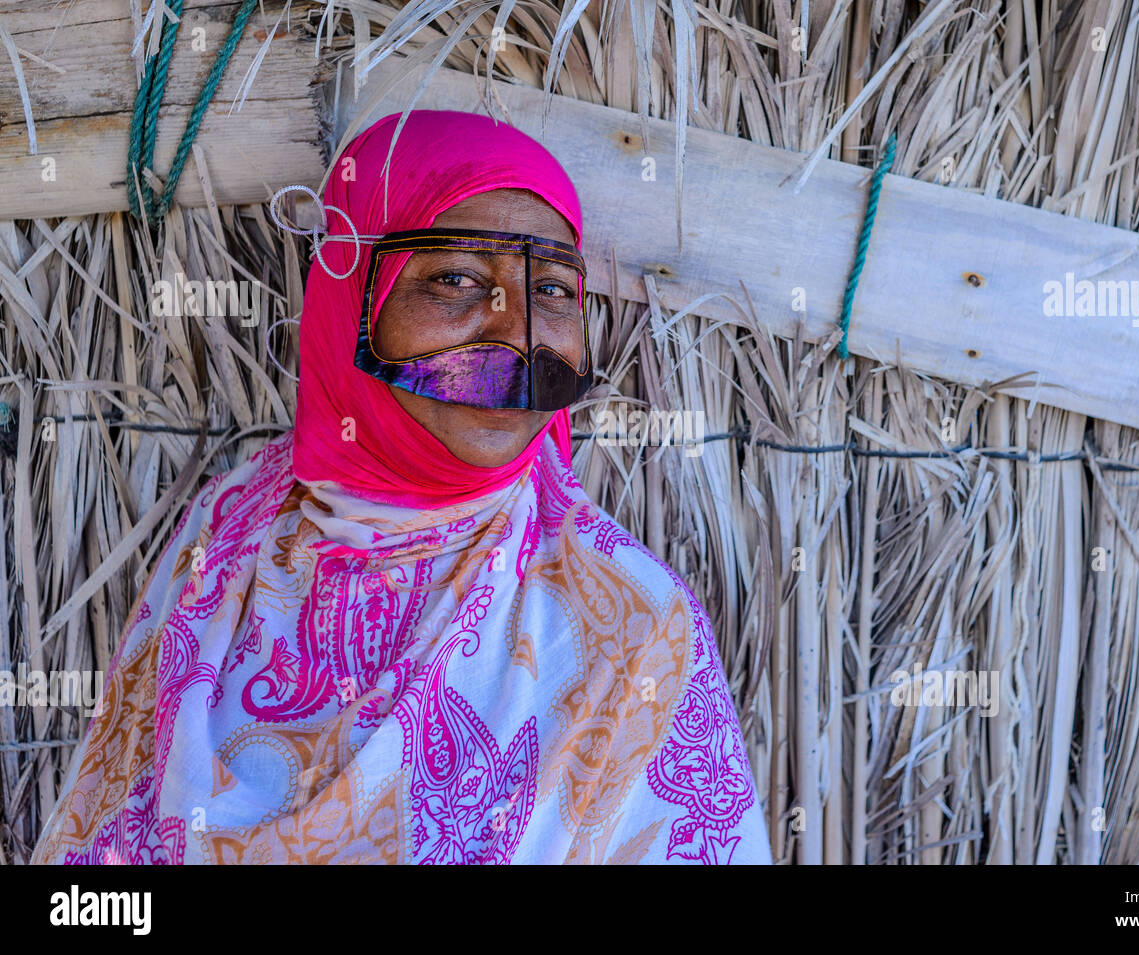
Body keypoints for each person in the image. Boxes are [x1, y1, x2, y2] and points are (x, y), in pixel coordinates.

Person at [31, 109, 773, 865]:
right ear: (349, 297)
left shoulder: (630, 628)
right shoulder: (229, 533)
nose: (518, 334)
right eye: (455, 278)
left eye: (552, 289)